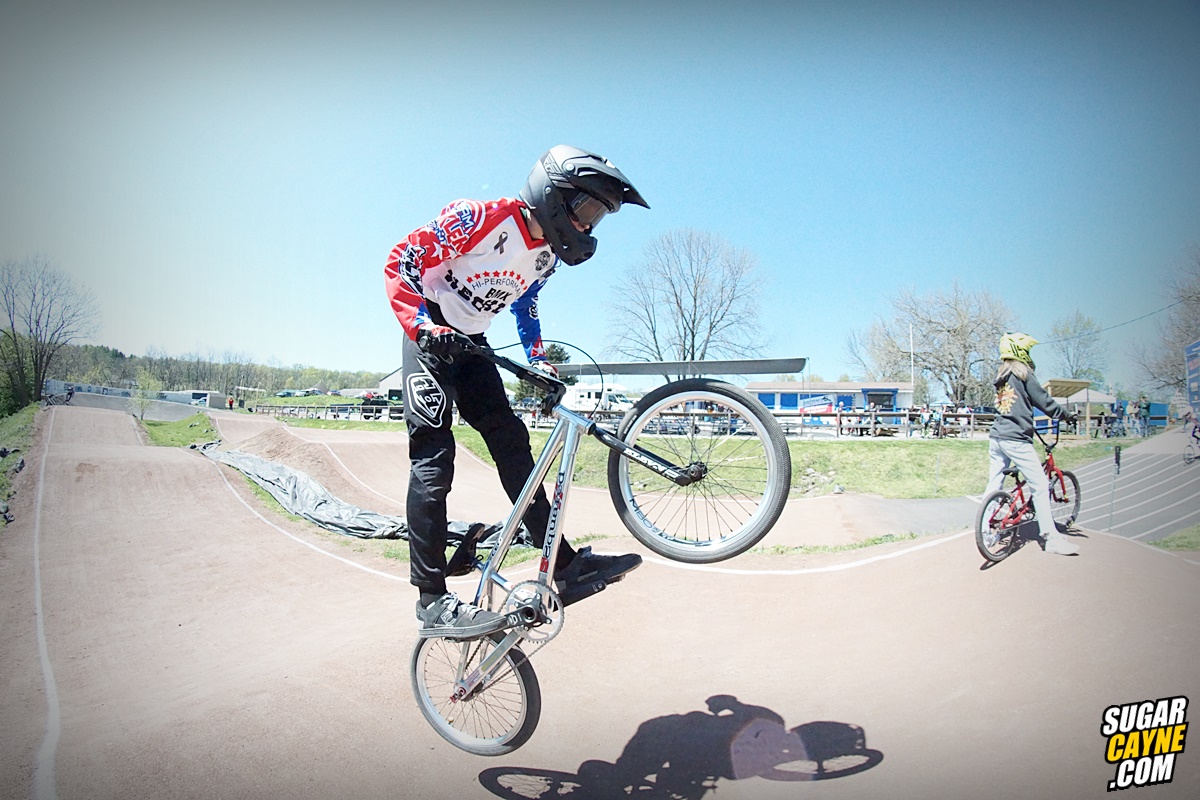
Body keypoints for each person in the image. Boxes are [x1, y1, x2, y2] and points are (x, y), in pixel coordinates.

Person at [384, 145, 650, 639]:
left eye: (598, 217)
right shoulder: (479, 219)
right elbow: (403, 259)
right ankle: (431, 599)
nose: (589, 225)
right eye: (588, 209)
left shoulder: (546, 258)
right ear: (554, 194)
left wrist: (538, 360)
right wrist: (422, 326)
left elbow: (524, 306)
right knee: (434, 460)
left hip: (472, 344)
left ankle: (563, 566)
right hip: (430, 337)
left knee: (512, 444)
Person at [984, 332, 1080, 556]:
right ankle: (1051, 538)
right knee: (1040, 485)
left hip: (997, 438)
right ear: (1022, 352)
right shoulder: (1023, 373)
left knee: (994, 483)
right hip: (1016, 439)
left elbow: (1014, 407)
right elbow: (1044, 401)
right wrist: (1066, 415)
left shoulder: (1001, 376)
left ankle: (985, 530)